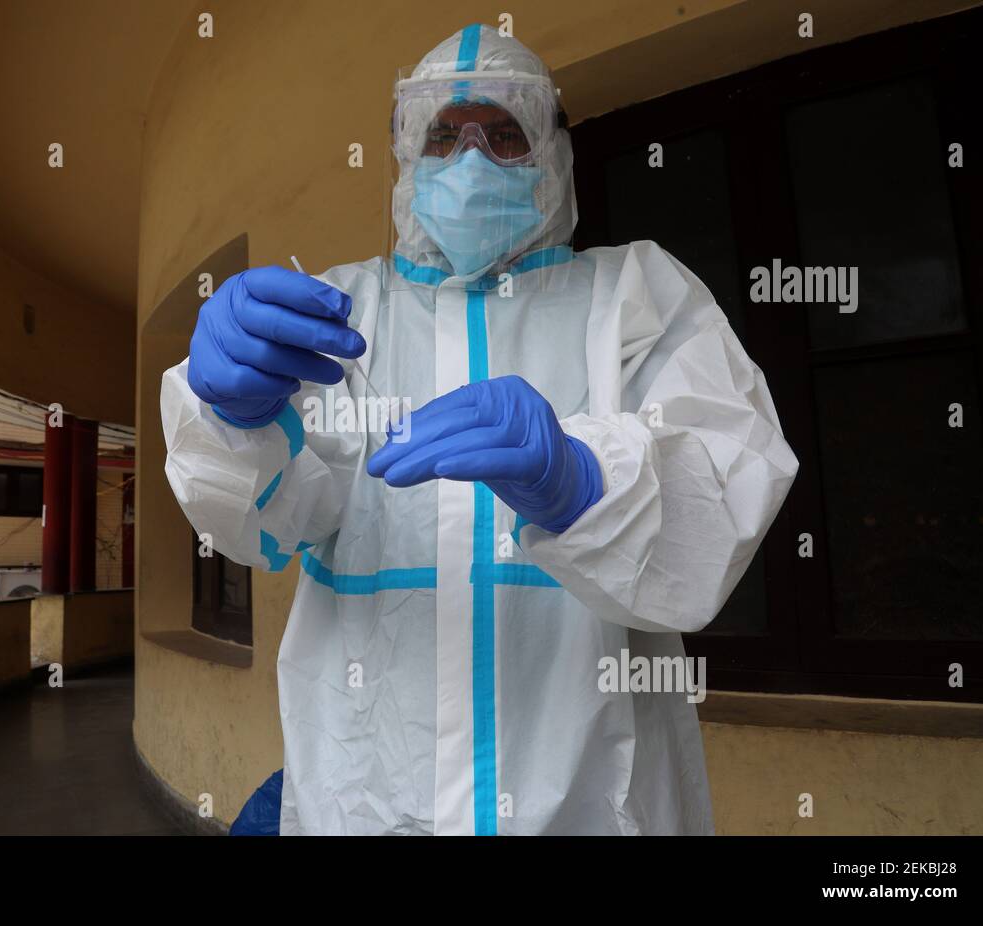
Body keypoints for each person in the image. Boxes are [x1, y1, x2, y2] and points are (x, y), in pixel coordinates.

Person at [162, 24, 798, 835]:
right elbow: (261, 526)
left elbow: (727, 491)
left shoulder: (635, 297)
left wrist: (584, 482)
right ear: (407, 156)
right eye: (444, 136)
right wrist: (233, 421)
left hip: (590, 798)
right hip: (373, 789)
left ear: (551, 155)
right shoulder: (344, 315)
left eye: (504, 135)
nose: (471, 161)